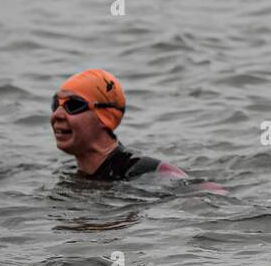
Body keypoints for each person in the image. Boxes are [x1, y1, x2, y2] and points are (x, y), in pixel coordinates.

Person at [50, 68, 187, 181]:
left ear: (105, 117)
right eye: (56, 104)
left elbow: (202, 191)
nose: (57, 114)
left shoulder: (148, 172)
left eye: (73, 105)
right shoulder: (68, 171)